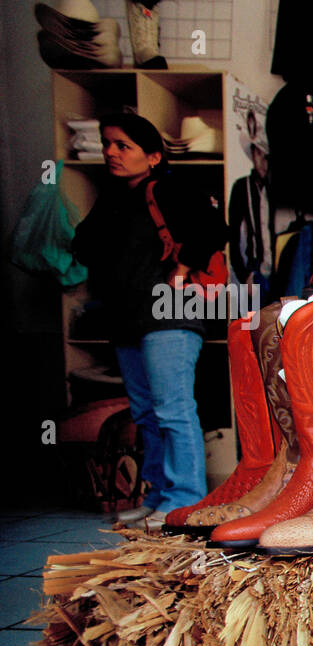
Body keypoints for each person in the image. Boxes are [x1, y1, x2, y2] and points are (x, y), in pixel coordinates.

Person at [71, 113, 227, 529]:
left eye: (123, 145)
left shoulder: (171, 188)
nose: (110, 152)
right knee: (146, 414)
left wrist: (179, 272)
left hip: (170, 313)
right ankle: (158, 495)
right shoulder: (114, 198)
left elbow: (214, 228)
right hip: (127, 318)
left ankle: (184, 500)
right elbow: (83, 247)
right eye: (108, 144)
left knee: (173, 408)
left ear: (153, 156)